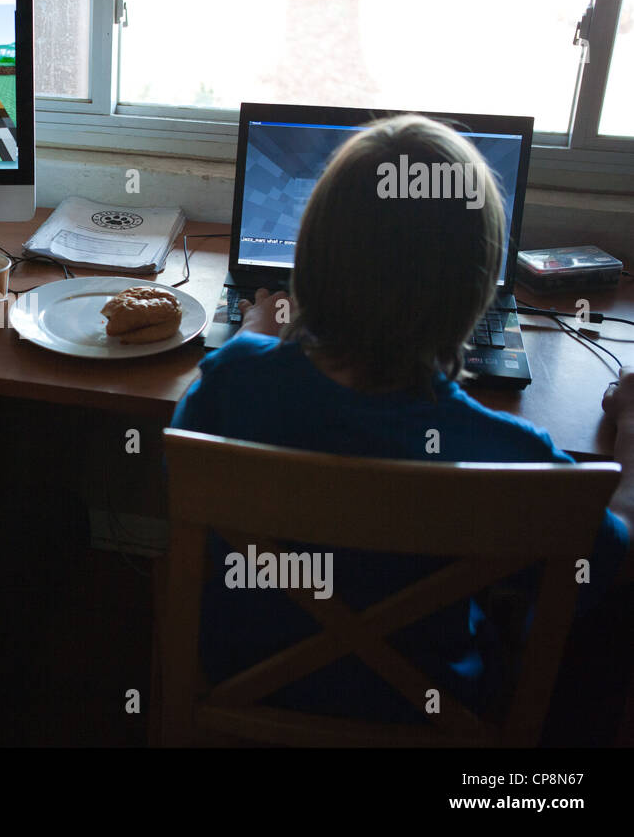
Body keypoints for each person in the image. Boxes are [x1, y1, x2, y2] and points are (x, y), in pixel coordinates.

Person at [172, 114, 632, 731]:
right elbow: (614, 555)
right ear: (474, 296)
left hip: (239, 678)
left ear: (308, 262)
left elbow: (175, 461)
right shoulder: (515, 457)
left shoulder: (231, 379)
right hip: (429, 710)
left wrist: (259, 334)